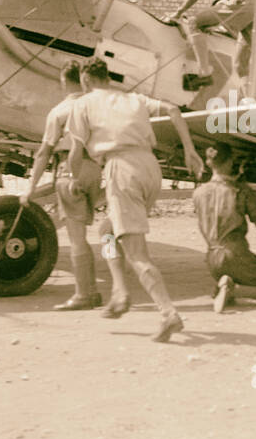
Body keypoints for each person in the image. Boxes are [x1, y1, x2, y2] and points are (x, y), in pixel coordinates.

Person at [67, 58, 204, 341]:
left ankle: (168, 313)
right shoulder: (133, 98)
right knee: (107, 232)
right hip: (151, 169)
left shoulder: (82, 104)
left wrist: (72, 178)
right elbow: (173, 109)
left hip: (121, 169)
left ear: (85, 80)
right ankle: (120, 291)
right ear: (107, 77)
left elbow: (74, 151)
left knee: (137, 253)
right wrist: (190, 150)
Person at [23, 62, 104, 310]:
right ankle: (94, 291)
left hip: (71, 170)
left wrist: (30, 188)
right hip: (97, 171)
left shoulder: (59, 111)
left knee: (77, 238)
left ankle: (84, 295)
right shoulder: (97, 107)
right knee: (97, 235)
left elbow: (43, 153)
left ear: (62, 81)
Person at [192, 142, 256, 313]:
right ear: (231, 162)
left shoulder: (198, 194)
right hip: (237, 254)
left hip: (212, 260)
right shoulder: (241, 191)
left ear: (209, 163)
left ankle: (225, 286)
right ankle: (236, 289)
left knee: (237, 271)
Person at [168, 0, 256, 89]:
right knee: (240, 65)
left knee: (194, 22)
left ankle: (204, 73)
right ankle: (250, 99)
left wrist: (178, 13)